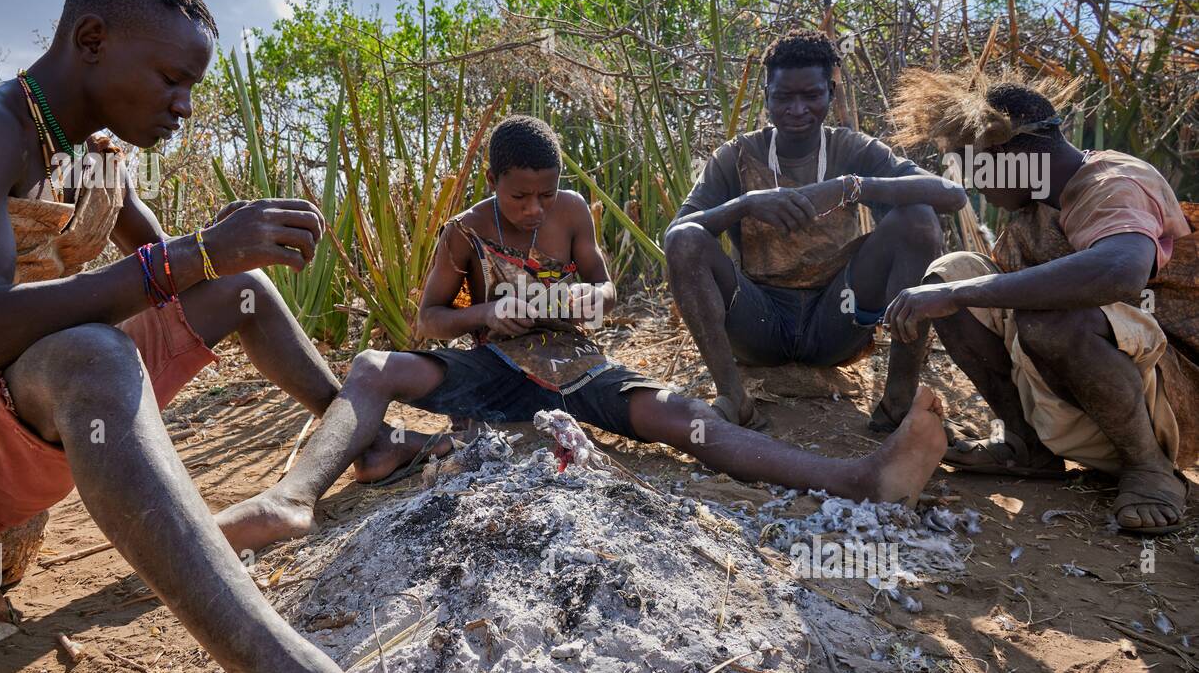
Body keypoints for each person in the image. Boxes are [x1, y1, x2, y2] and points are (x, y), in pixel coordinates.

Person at [0, 0, 417, 673]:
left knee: (240, 290)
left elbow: (191, 281)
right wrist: (188, 254)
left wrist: (224, 251)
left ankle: (360, 444)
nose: (183, 105)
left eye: (193, 89)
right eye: (171, 79)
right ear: (93, 38)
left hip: (8, 428)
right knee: (91, 354)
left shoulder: (96, 163)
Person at [236, 114, 949, 543]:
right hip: (492, 371)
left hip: (578, 367)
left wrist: (581, 301)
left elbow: (604, 289)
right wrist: (487, 313)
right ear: (492, 183)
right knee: (372, 365)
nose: (535, 208)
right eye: (520, 195)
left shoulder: (572, 211)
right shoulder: (463, 234)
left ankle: (856, 478)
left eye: (546, 192)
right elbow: (430, 319)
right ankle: (294, 497)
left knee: (682, 418)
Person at [883, 70, 1198, 535]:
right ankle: (1027, 445)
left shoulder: (1114, 182)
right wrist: (949, 293)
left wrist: (956, 295)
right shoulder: (1034, 206)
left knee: (1040, 315)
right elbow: (992, 297)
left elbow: (1121, 271)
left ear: (1019, 156)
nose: (974, 186)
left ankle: (1148, 466)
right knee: (950, 272)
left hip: (1170, 396)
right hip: (1075, 382)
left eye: (977, 168)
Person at [664, 30, 967, 431]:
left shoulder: (851, 150)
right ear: (766, 94)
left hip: (836, 316)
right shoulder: (736, 156)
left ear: (832, 91)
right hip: (759, 321)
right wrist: (746, 204)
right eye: (783, 98)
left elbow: (952, 194)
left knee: (918, 218)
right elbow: (676, 235)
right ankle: (734, 399)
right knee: (686, 241)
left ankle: (898, 402)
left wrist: (849, 187)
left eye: (811, 95)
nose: (797, 109)